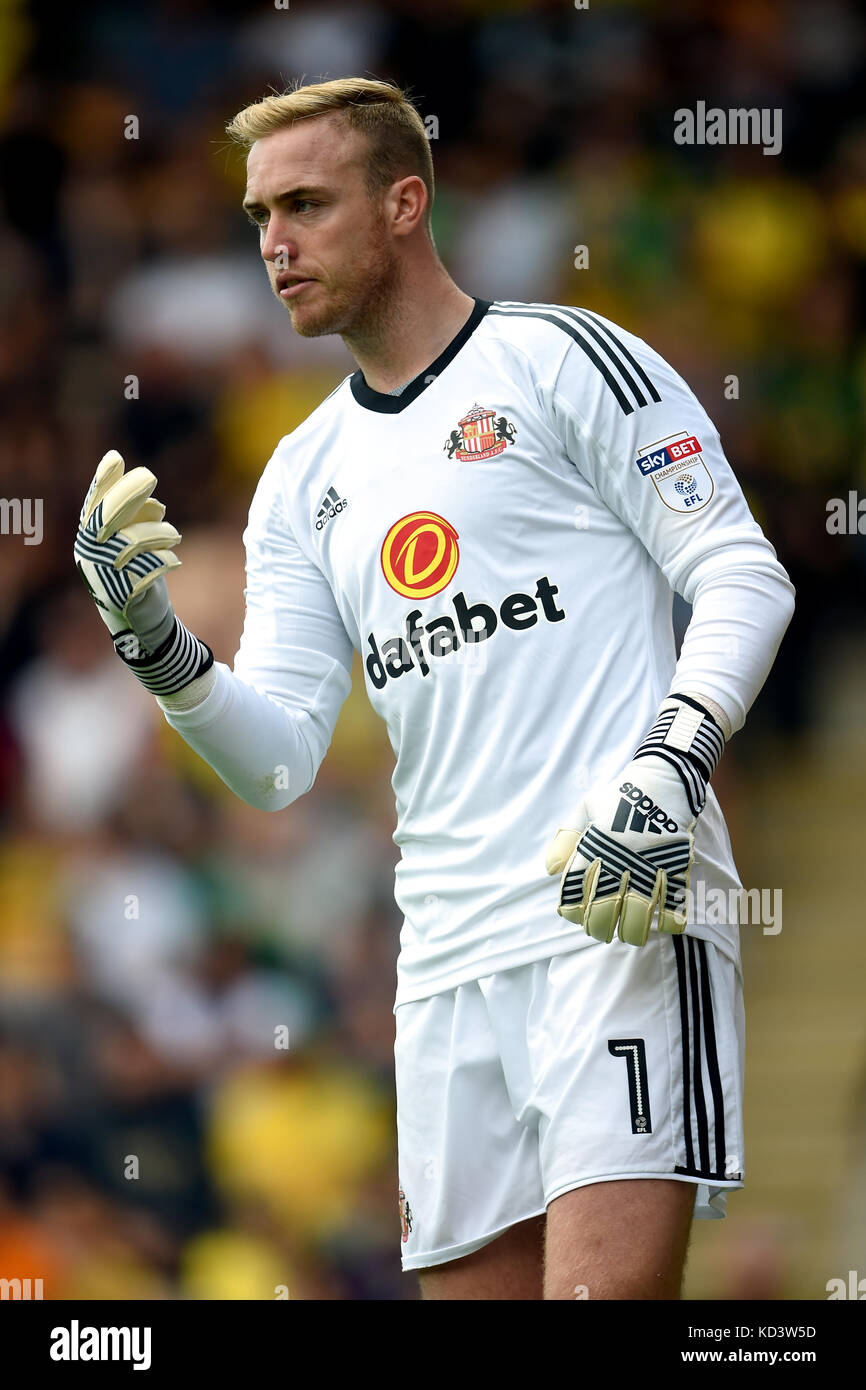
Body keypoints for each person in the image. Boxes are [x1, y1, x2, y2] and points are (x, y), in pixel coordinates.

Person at [73, 77, 795, 1300]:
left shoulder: (559, 357)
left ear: (405, 202)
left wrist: (661, 776)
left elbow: (741, 571)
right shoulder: (302, 475)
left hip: (610, 904)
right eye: (257, 216)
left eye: (305, 203)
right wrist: (156, 647)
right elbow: (280, 758)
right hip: (444, 966)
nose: (273, 245)